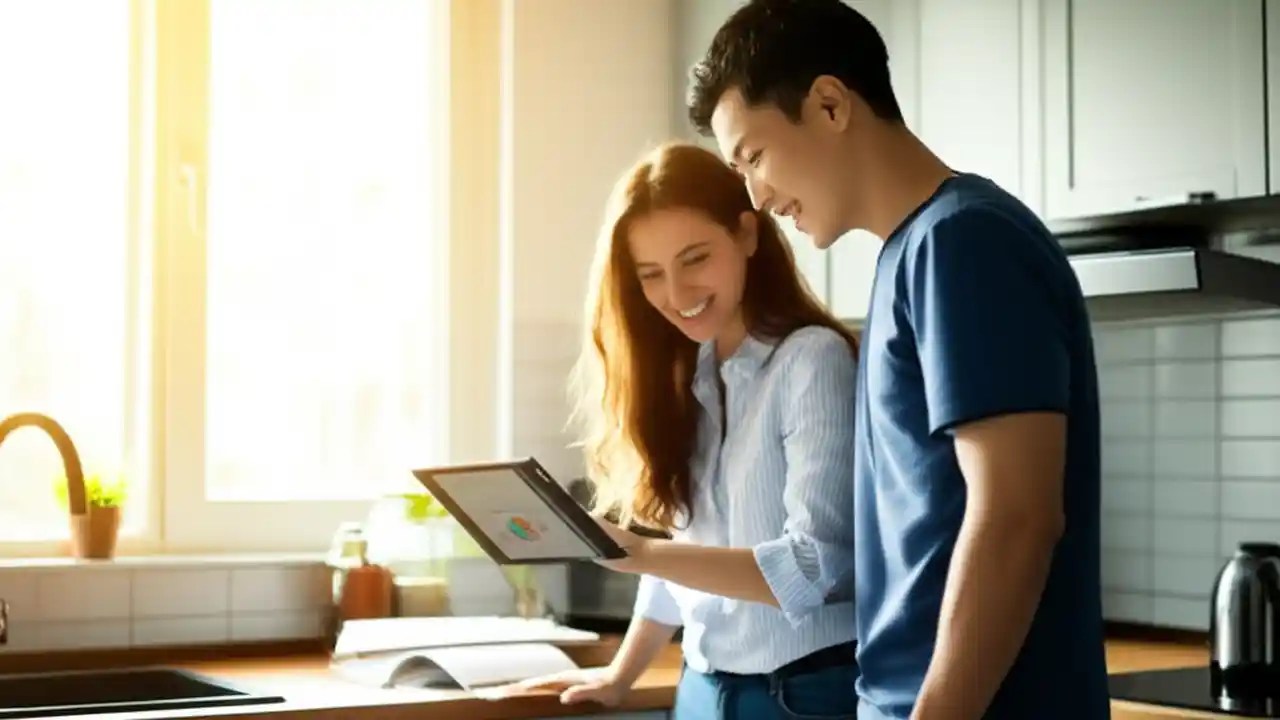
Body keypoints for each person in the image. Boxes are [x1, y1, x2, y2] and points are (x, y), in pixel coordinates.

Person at [685, 1, 1109, 719]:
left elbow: (1015, 516)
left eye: (753, 157)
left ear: (829, 104)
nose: (755, 194)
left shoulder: (963, 242)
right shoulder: (907, 257)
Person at [514, 141, 862, 720]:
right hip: (700, 688)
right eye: (651, 275)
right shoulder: (691, 372)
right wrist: (620, 675)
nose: (675, 296)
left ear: (747, 234)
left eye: (695, 259)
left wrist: (641, 552)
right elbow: (681, 559)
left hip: (801, 694)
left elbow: (809, 570)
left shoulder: (812, 361)